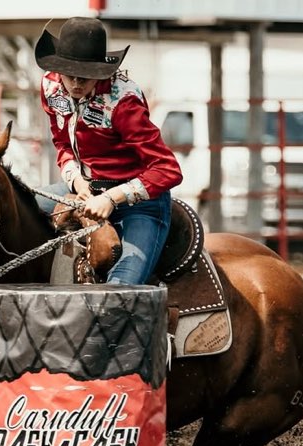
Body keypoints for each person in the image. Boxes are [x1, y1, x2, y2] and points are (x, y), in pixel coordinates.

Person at [33, 17, 183, 285]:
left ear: (101, 71)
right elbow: (63, 143)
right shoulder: (51, 86)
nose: (77, 84)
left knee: (121, 290)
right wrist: (76, 180)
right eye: (70, 74)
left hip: (139, 203)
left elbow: (167, 170)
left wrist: (112, 198)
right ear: (59, 69)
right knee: (12, 210)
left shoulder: (123, 102)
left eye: (86, 75)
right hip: (85, 189)